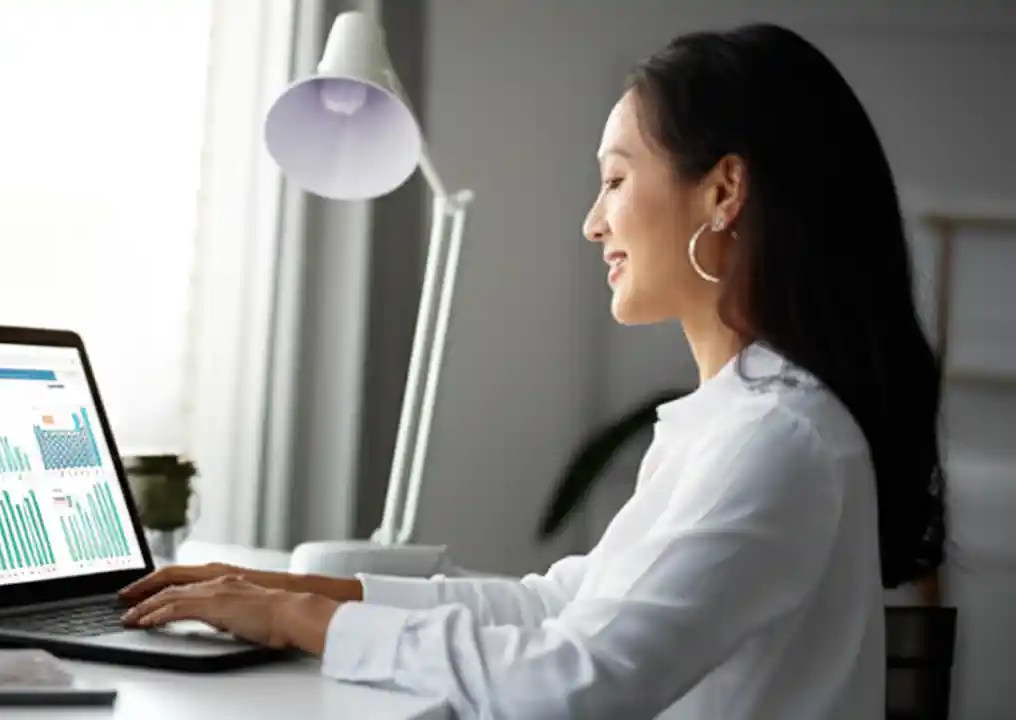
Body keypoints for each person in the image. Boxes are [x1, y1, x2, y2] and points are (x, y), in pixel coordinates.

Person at [118, 23, 944, 719]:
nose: (593, 223)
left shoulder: (777, 438)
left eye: (615, 180)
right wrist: (284, 594)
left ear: (724, 191)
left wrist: (301, 618)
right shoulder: (741, 419)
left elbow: (576, 683)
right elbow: (557, 607)